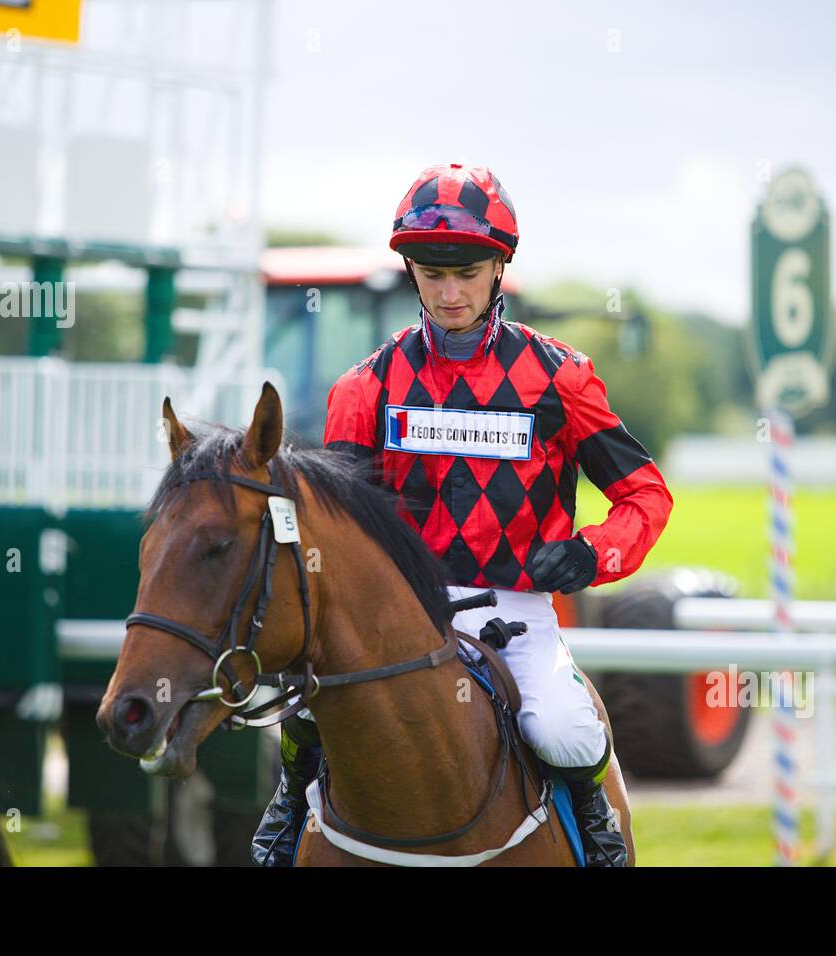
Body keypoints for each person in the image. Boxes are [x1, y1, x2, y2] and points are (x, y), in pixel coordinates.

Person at [252, 163, 673, 867]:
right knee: (304, 716)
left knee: (567, 729)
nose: (449, 294)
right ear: (411, 271)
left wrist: (592, 553)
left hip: (517, 614)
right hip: (400, 614)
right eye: (430, 274)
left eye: (468, 273)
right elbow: (342, 531)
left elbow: (645, 494)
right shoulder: (364, 389)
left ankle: (601, 837)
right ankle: (291, 809)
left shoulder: (560, 379)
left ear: (500, 267)